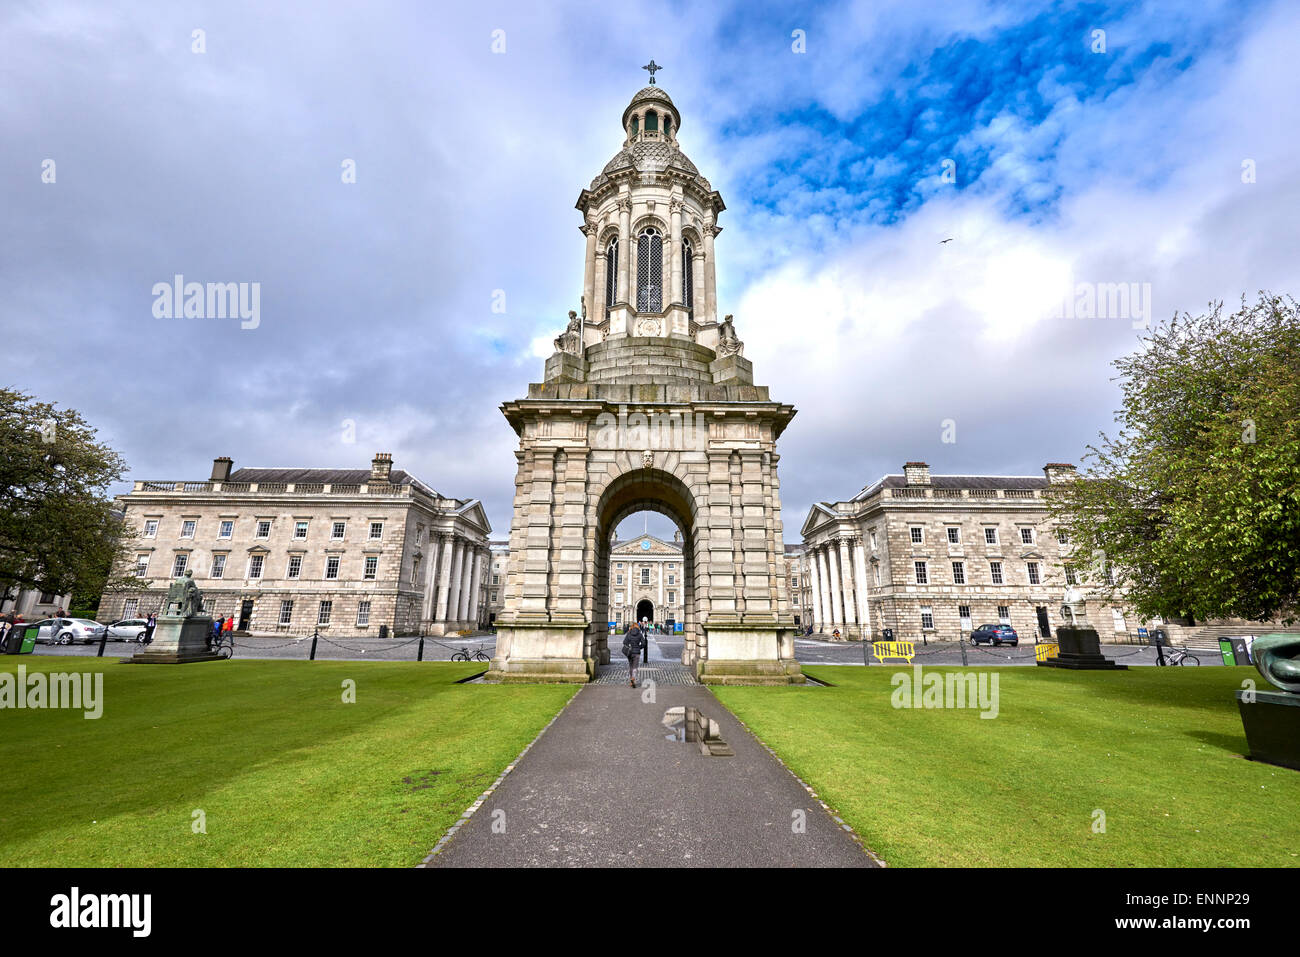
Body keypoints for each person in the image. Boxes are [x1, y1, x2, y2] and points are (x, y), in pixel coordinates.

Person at [622, 619, 646, 688]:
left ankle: (631, 680)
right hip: (637, 652)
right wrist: (639, 647)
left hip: (629, 652)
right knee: (635, 667)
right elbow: (644, 643)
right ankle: (633, 679)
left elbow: (624, 642)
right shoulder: (639, 634)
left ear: (632, 627)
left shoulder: (629, 634)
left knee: (631, 666)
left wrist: (629, 646)